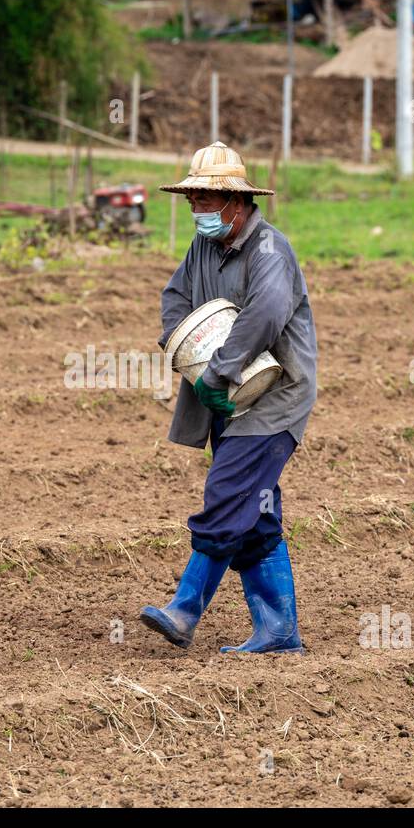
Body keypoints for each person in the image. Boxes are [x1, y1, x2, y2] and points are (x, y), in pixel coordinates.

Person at [139, 141, 318, 654]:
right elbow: (175, 298)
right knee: (255, 511)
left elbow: (263, 317)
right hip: (224, 391)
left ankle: (186, 609)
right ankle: (279, 631)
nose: (196, 209)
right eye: (192, 199)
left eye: (204, 199)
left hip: (274, 396)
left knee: (227, 493)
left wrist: (216, 374)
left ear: (235, 204)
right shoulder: (204, 247)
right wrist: (186, 350)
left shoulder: (270, 251)